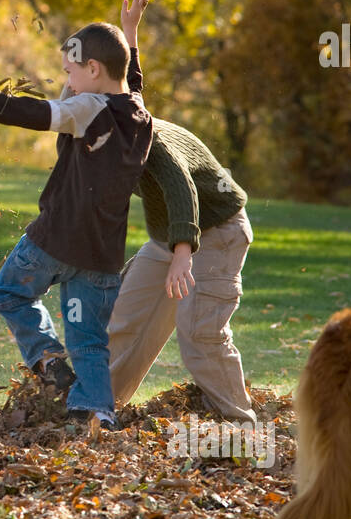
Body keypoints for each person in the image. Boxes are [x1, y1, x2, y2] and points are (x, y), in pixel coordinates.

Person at [0, 0, 154, 429]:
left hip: (54, 239)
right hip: (102, 254)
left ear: (92, 69)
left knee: (10, 293)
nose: (66, 82)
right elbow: (130, 85)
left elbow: (35, 113)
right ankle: (95, 416)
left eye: (70, 72)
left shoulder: (87, 108)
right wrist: (130, 38)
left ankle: (49, 361)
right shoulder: (139, 115)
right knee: (90, 342)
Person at [107, 117, 256, 421]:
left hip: (216, 230)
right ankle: (98, 407)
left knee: (199, 331)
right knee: (125, 314)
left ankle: (241, 426)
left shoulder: (141, 133)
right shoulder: (95, 130)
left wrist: (183, 252)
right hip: (169, 235)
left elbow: (180, 187)